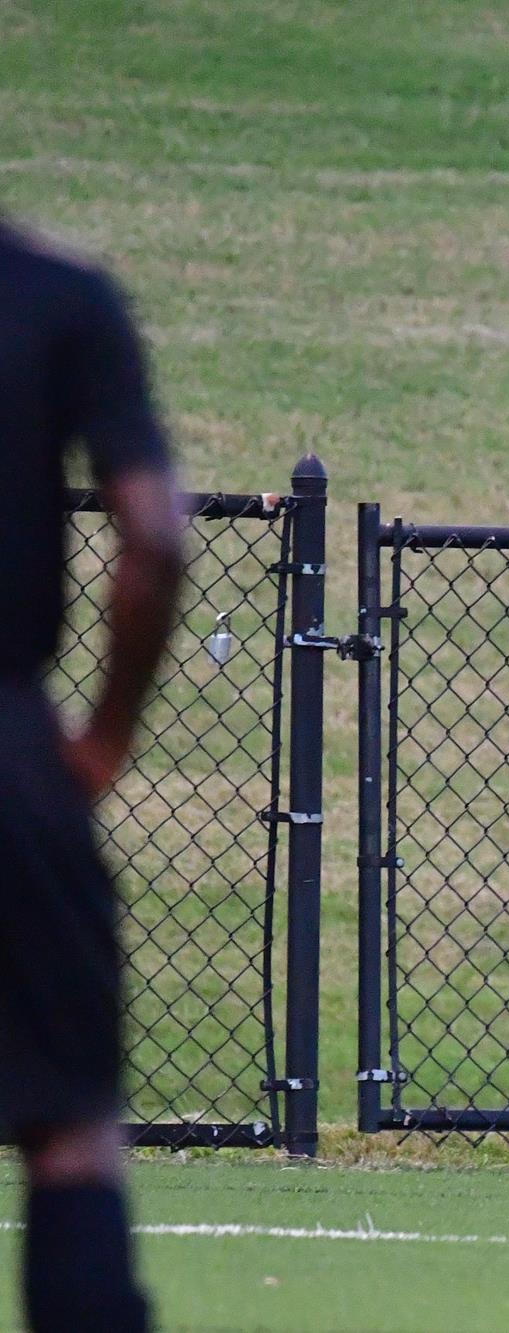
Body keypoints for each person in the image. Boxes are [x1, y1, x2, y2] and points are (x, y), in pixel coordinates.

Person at [0, 223, 186, 1329]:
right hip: (11, 756)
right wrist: (104, 733)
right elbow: (155, 534)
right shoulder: (56, 297)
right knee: (69, 1136)